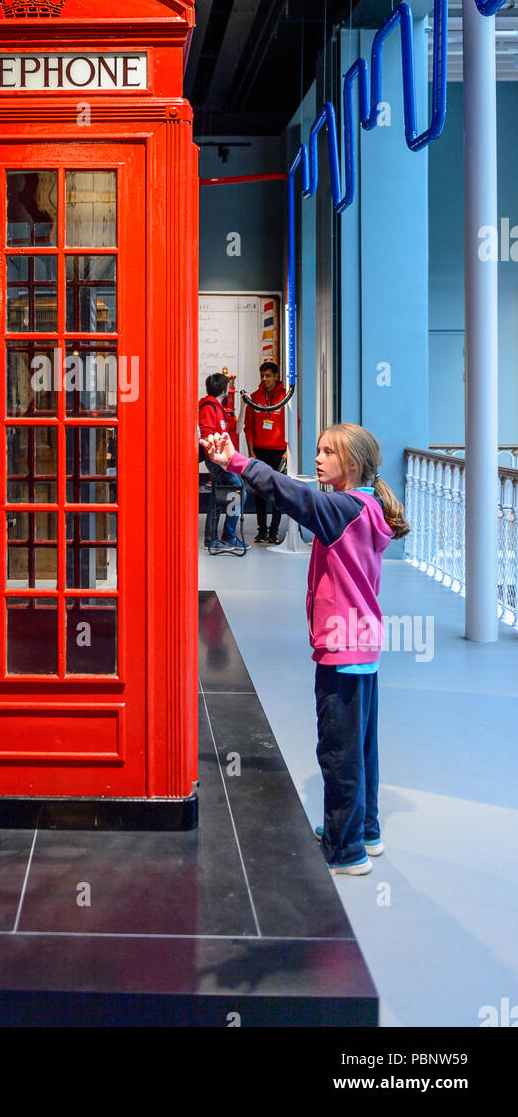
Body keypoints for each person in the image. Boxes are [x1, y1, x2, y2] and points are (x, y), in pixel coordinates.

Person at [203, 422, 409, 875]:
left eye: (326, 452)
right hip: (363, 645)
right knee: (361, 748)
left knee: (337, 752)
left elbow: (288, 495)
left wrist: (235, 461)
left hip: (342, 648)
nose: (317, 459)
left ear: (350, 464)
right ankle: (366, 832)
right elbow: (297, 489)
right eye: (317, 450)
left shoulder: (339, 509)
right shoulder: (367, 505)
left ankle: (346, 852)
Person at [242, 361, 288, 543]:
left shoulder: (285, 398)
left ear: (276, 376)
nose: (265, 379)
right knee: (260, 492)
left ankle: (273, 532)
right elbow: (249, 428)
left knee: (277, 492)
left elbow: (295, 423)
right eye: (262, 376)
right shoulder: (254, 398)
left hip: (279, 452)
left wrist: (288, 452)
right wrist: (251, 452)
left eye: (268, 376)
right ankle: (262, 531)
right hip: (260, 452)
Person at [198, 373, 243, 553]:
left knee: (217, 497)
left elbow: (238, 428)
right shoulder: (209, 407)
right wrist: (221, 460)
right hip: (218, 460)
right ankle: (228, 535)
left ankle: (213, 538)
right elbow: (206, 433)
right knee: (239, 491)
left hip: (221, 459)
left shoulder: (219, 408)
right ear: (224, 389)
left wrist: (244, 407)